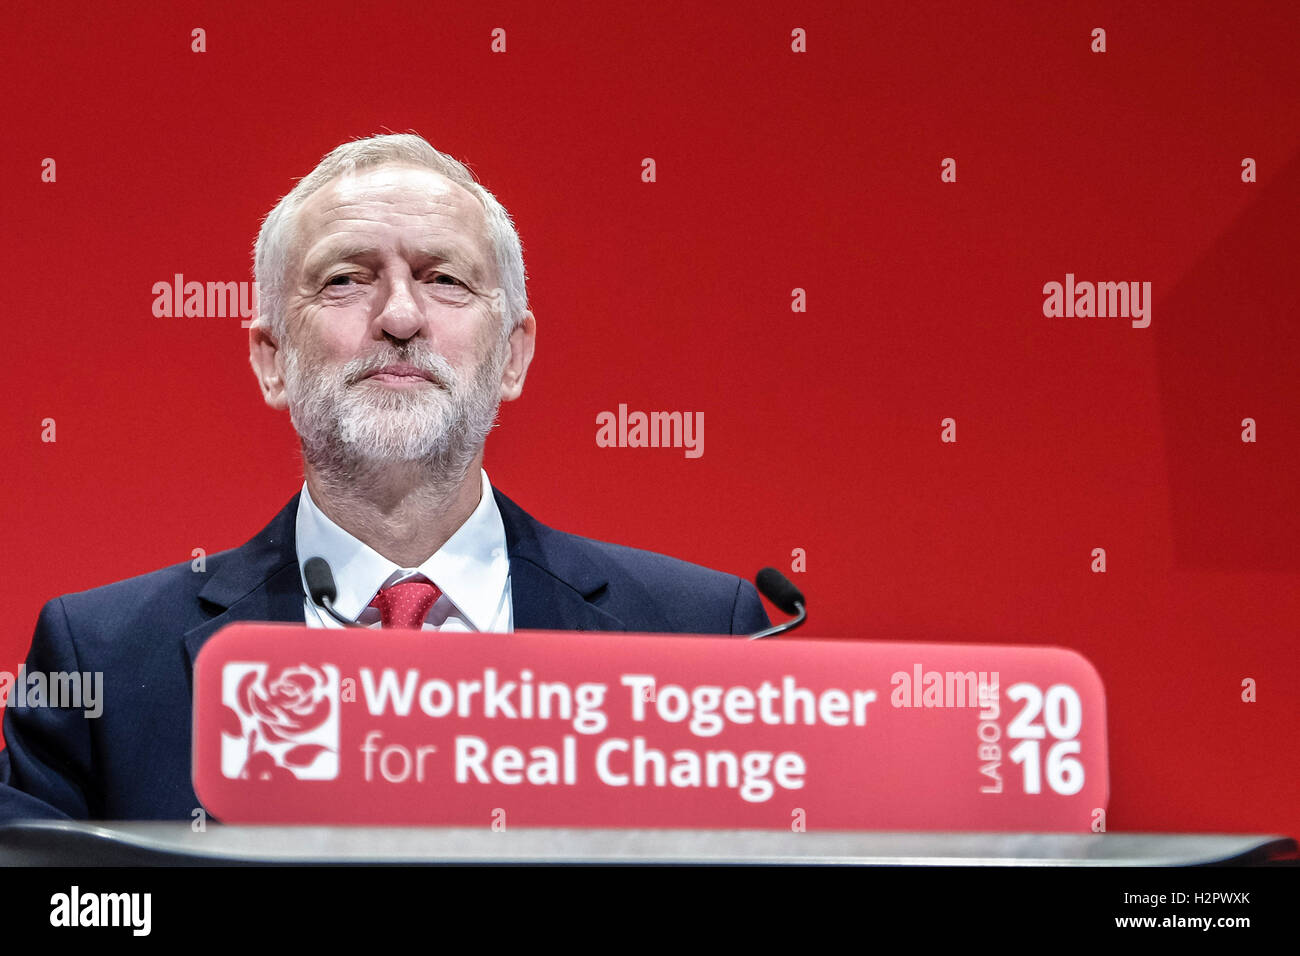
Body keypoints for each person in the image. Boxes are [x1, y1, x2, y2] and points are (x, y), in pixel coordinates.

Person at [0, 133, 770, 821]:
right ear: (271, 359)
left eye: (445, 280)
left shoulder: (701, 641)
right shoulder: (98, 660)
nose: (400, 317)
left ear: (513, 356)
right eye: (345, 280)